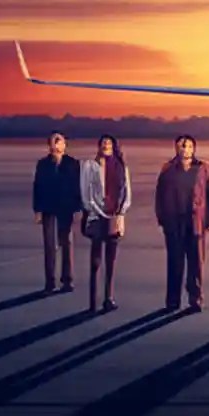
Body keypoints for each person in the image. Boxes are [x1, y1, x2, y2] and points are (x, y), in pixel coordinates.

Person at [155, 135, 209, 313]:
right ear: (176, 148)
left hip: (196, 222)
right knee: (174, 262)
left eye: (188, 146)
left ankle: (195, 299)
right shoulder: (167, 169)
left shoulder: (204, 168)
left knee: (196, 263)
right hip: (174, 222)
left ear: (193, 148)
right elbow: (159, 195)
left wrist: (208, 220)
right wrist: (162, 218)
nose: (185, 149)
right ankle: (173, 301)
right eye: (181, 146)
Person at [79, 134, 131, 313]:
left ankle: (108, 297)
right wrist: (93, 211)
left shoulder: (121, 166)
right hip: (96, 216)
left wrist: (120, 214)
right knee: (95, 261)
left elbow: (126, 193)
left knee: (111, 260)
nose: (106, 146)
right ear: (99, 146)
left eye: (109, 143)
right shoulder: (90, 166)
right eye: (103, 143)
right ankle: (93, 300)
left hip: (114, 217)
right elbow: (85, 192)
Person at [32, 131, 82, 294]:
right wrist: (37, 210)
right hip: (48, 208)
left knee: (66, 243)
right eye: (53, 142)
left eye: (59, 141)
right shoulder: (43, 164)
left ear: (64, 145)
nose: (56, 144)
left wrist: (78, 208)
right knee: (49, 245)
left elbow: (77, 187)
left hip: (66, 209)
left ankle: (67, 279)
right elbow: (37, 187)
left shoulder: (72, 164)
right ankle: (50, 281)